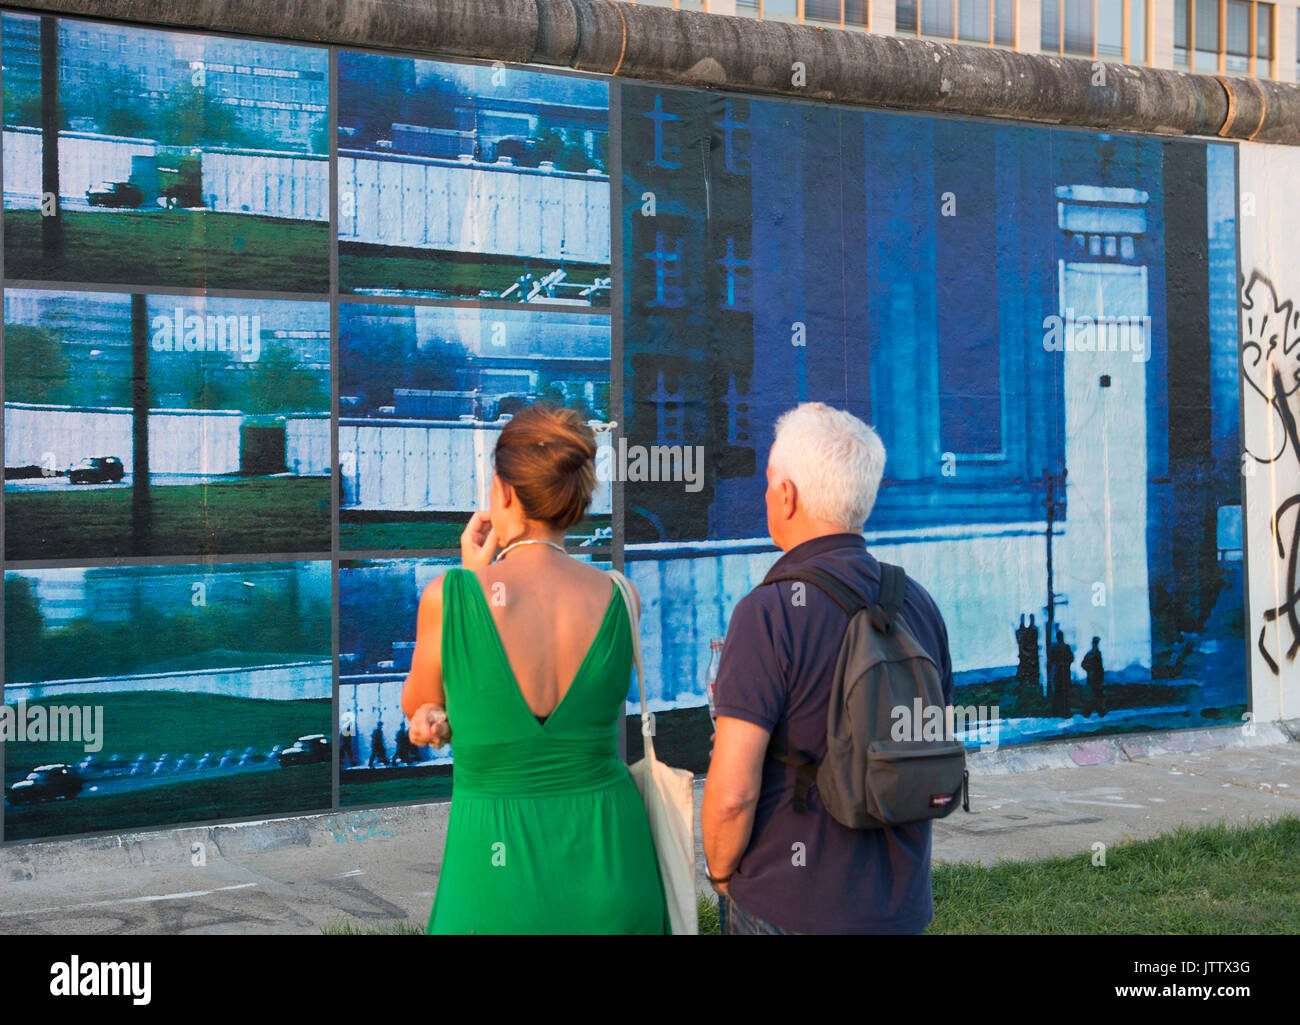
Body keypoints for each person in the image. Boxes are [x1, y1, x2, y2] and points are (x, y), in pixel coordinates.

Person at [401, 402, 668, 934]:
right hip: (612, 867)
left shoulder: (450, 599)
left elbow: (422, 710)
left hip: (492, 883)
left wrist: (472, 583)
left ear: (502, 492)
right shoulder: (622, 597)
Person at [701, 402, 954, 935]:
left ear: (787, 496)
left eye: (769, 481)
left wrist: (722, 872)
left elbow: (732, 794)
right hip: (899, 908)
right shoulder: (917, 603)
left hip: (787, 905)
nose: (767, 493)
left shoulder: (767, 613)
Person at [1049, 630, 1074, 718]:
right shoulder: (1066, 647)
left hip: (1058, 673)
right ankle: (1065, 713)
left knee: (1058, 694)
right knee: (1065, 694)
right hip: (1065, 673)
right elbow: (1071, 658)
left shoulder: (1054, 648)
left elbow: (1051, 660)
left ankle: (1056, 713)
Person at [1082, 636, 1105, 717]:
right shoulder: (1092, 653)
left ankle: (1097, 711)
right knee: (1095, 695)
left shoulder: (1094, 653)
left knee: (1096, 695)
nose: (1096, 644)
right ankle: (1090, 712)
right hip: (1094, 677)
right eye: (1096, 642)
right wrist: (1090, 670)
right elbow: (1084, 664)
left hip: (1095, 677)